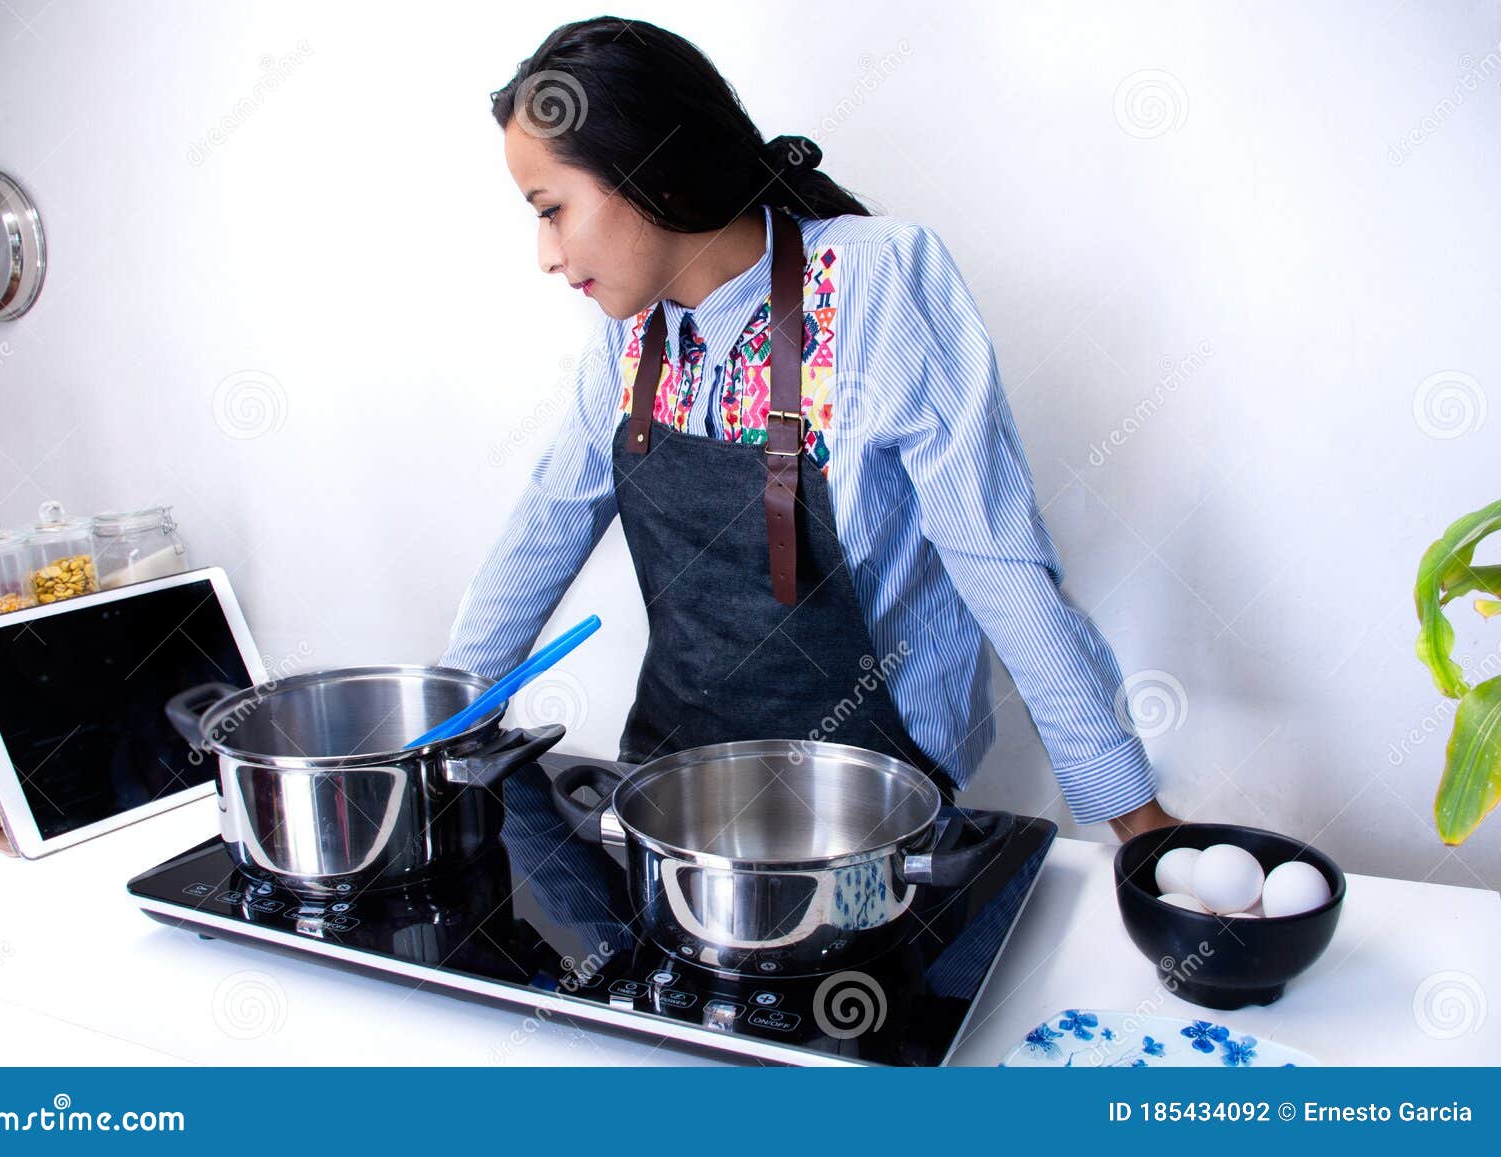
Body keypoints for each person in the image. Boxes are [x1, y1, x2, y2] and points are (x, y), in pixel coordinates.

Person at [441, 17, 1181, 840]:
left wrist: (1135, 818)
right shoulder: (628, 331)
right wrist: (440, 724)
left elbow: (996, 558)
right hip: (674, 799)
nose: (545, 254)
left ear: (650, 172)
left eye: (551, 210)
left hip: (877, 806)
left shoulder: (880, 281)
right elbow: (547, 523)